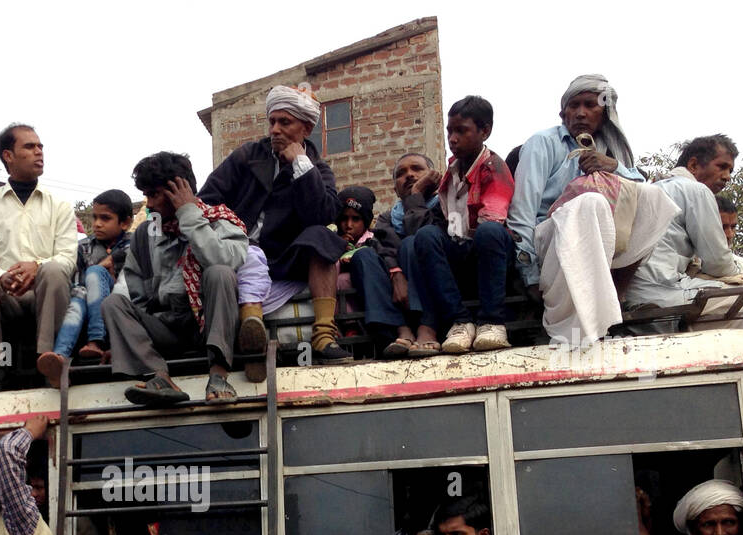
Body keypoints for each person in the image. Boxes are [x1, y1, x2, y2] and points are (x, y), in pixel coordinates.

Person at [508, 75, 678, 345]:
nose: (580, 113)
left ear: (606, 112)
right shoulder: (543, 143)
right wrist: (529, 275)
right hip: (548, 241)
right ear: (562, 113)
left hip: (601, 245)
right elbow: (521, 214)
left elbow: (637, 193)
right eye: (573, 106)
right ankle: (578, 330)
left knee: (654, 197)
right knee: (590, 202)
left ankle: (616, 296)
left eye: (589, 105)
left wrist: (613, 167)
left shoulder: (611, 151)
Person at [201, 85, 348, 363]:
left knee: (323, 238)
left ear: (305, 128)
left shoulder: (318, 169)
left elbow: (323, 214)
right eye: (272, 121)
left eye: (285, 122)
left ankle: (324, 334)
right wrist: (229, 230)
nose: (275, 130)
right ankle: (250, 329)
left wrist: (301, 167)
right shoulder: (247, 156)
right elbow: (206, 201)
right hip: (239, 251)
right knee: (242, 251)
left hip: (284, 256)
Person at [101, 151, 247, 406]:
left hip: (208, 326)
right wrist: (128, 336)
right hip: (165, 328)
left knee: (219, 271)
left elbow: (225, 260)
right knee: (112, 303)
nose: (148, 204)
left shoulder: (220, 220)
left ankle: (219, 376)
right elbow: (137, 296)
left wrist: (189, 215)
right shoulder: (146, 234)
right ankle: (159, 377)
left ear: (177, 190)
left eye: (153, 195)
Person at [623, 137, 743, 344]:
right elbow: (718, 262)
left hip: (634, 294)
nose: (727, 177)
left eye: (730, 171)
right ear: (693, 165)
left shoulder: (655, 187)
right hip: (661, 294)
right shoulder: (695, 190)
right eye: (722, 167)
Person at [0, 124, 76, 397]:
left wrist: (36, 267)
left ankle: (46, 361)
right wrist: (2, 276)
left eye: (40, 147)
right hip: (7, 295)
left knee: (53, 268)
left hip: (46, 293)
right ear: (8, 156)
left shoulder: (59, 205)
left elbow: (68, 258)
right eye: (29, 147)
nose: (39, 152)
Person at [407, 96, 515, 354]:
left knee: (489, 231)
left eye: (461, 131)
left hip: (490, 253)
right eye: (449, 131)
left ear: (484, 131)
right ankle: (460, 321)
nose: (452, 138)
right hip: (462, 248)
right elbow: (446, 221)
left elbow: (492, 219)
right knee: (426, 236)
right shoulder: (452, 170)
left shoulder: (494, 168)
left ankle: (492, 321)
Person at [37, 190, 134, 388]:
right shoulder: (83, 247)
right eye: (95, 217)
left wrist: (110, 262)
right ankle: (59, 358)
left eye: (105, 218)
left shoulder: (133, 244)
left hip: (116, 303)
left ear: (125, 223)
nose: (97, 223)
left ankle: (96, 340)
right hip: (84, 299)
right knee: (77, 301)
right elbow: (77, 282)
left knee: (95, 273)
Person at [352, 153, 437, 355]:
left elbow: (422, 237)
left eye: (417, 169)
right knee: (363, 255)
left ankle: (428, 327)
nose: (409, 175)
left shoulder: (444, 206)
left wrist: (416, 195)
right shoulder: (388, 217)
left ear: (433, 177)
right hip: (397, 292)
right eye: (401, 173)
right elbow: (381, 245)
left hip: (434, 295)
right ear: (395, 190)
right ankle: (402, 329)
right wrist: (396, 272)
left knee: (411, 243)